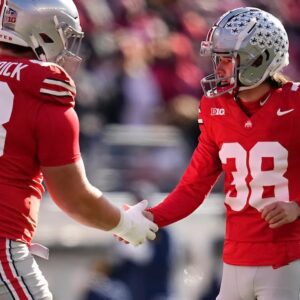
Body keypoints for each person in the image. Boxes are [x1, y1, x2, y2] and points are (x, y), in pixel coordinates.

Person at [0, 1, 158, 299]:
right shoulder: (45, 89)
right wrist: (127, 225)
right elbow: (74, 198)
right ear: (44, 33)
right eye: (65, 36)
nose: (69, 48)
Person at [147, 7, 300, 300]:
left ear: (260, 58)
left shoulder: (295, 103)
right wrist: (151, 217)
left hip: (288, 257)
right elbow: (194, 186)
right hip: (235, 259)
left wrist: (298, 206)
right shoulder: (214, 108)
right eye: (218, 58)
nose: (218, 67)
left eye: (228, 59)